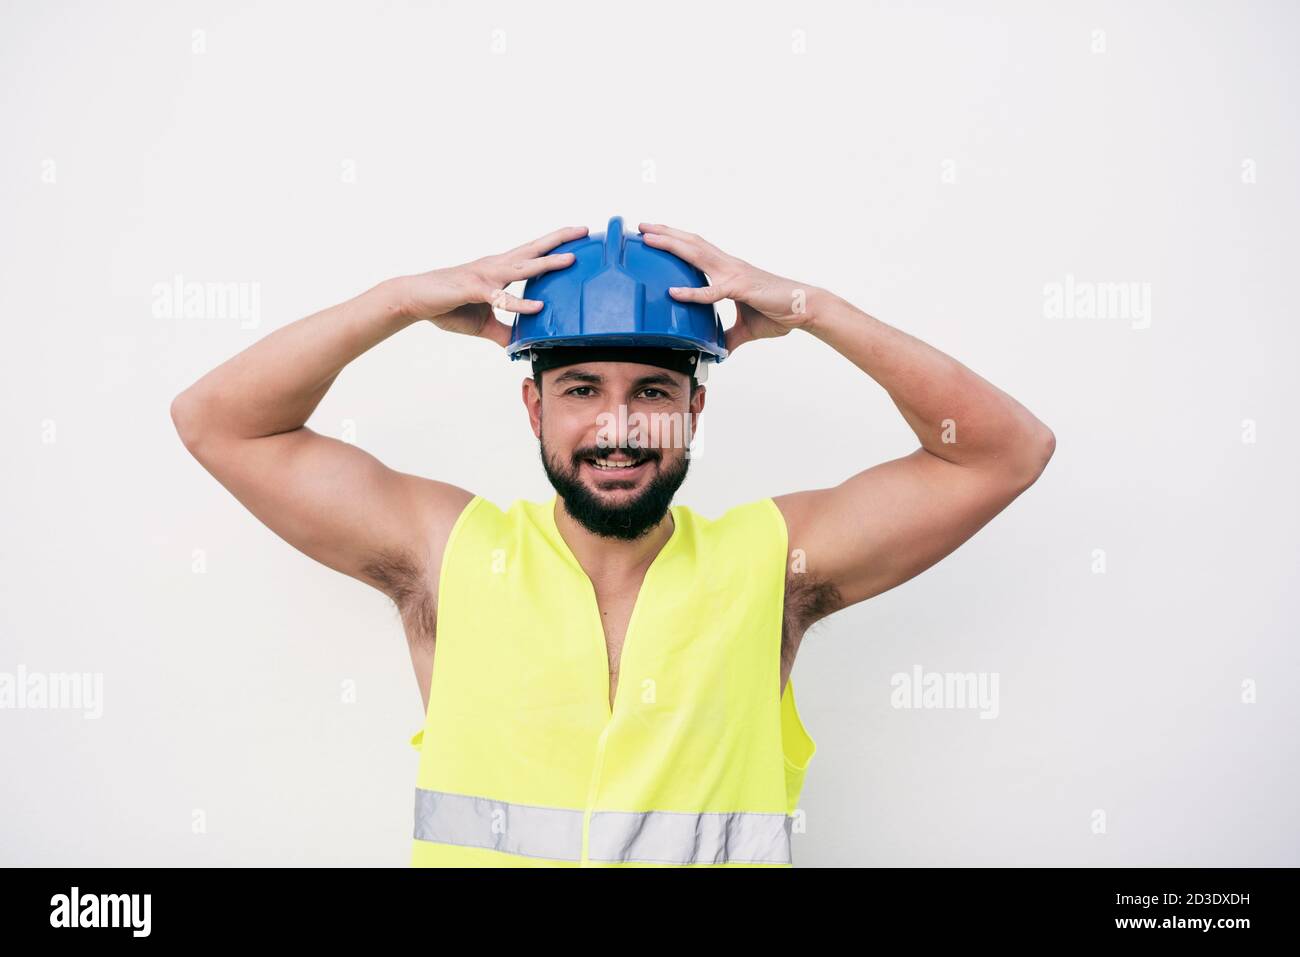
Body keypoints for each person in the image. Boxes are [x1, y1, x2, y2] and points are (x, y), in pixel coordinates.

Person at [171, 219, 1054, 867]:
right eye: (583, 388)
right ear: (534, 407)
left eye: (656, 392)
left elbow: (1004, 451)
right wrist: (397, 300)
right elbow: (220, 424)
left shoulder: (774, 563)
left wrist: (815, 308)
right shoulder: (448, 551)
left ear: (695, 408)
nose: (620, 426)